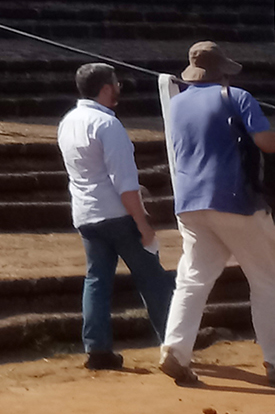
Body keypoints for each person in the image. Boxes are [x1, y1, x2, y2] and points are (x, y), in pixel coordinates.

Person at [157, 41, 275, 387]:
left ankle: (176, 348)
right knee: (267, 281)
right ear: (222, 71)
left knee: (193, 279)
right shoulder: (236, 96)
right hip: (235, 198)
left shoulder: (177, 103)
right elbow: (267, 143)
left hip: (190, 200)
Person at [57, 62, 174, 369]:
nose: (119, 88)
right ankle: (174, 342)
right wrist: (142, 223)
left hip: (86, 212)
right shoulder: (108, 125)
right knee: (154, 279)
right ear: (106, 88)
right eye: (116, 83)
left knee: (97, 279)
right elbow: (124, 183)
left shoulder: (69, 121)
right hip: (117, 213)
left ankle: (96, 347)